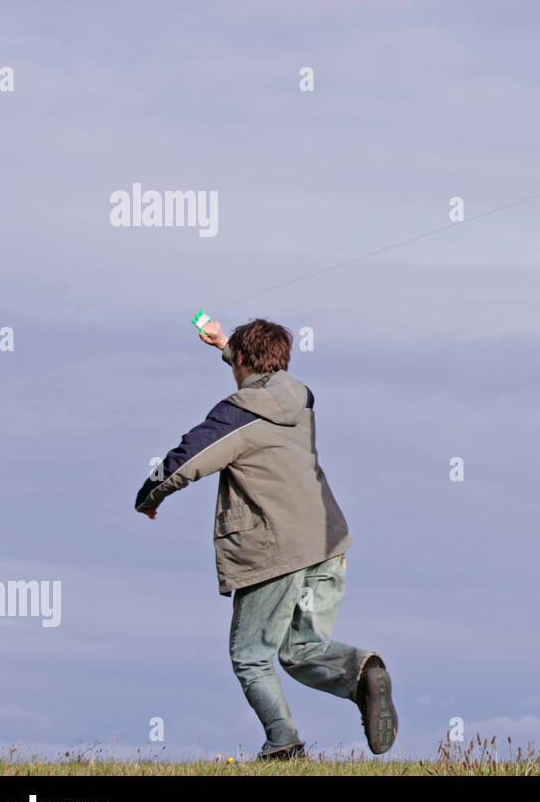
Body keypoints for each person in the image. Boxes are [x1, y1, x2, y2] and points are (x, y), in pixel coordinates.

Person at [134, 317, 397, 761]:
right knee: (302, 650)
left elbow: (185, 459)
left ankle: (283, 744)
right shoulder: (302, 398)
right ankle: (362, 671)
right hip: (328, 544)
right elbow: (262, 378)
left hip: (277, 550)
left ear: (241, 360)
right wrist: (223, 344)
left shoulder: (235, 415)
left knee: (250, 655)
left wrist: (147, 494)